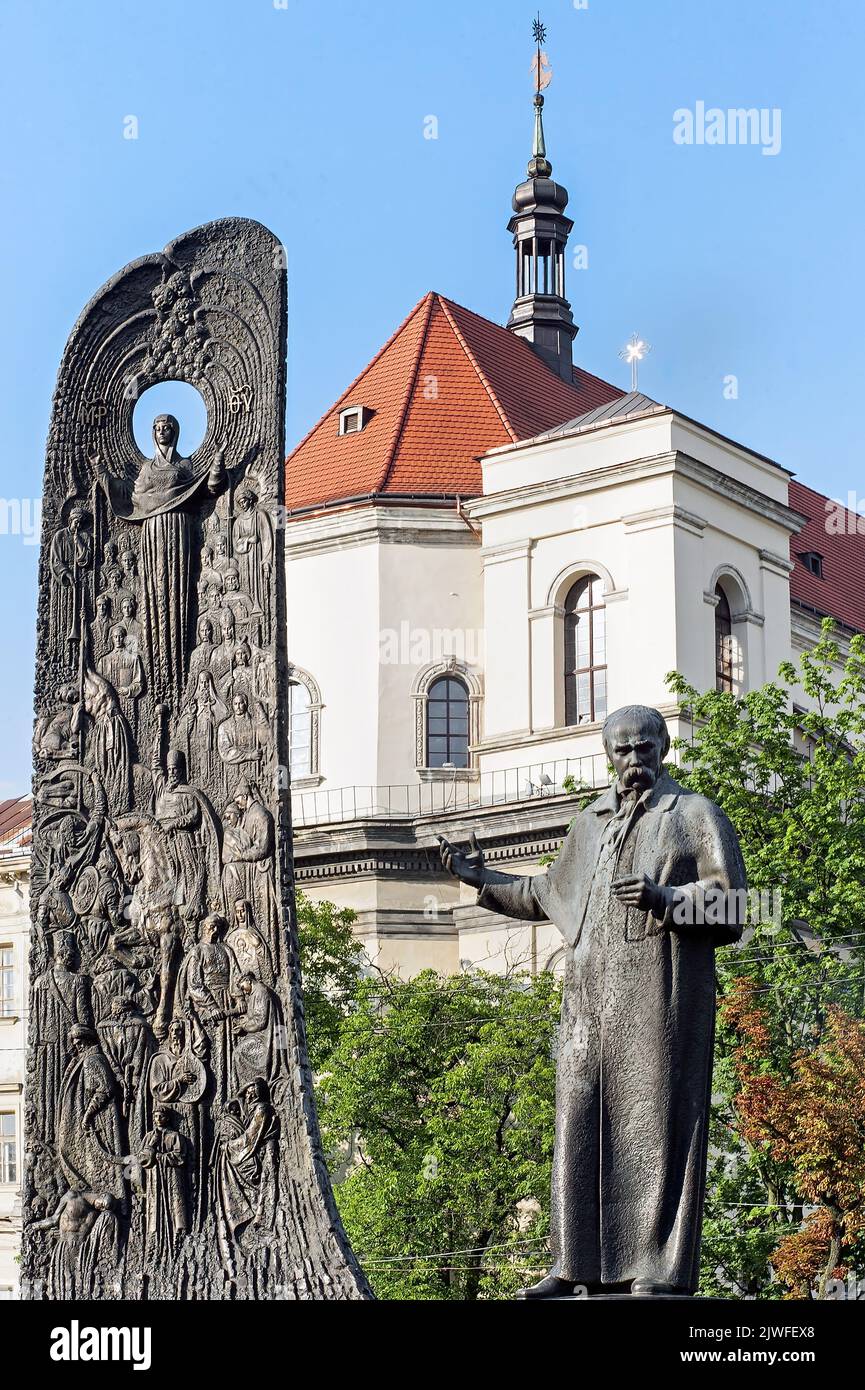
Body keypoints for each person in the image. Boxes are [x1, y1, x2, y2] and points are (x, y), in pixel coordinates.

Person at [439, 704, 747, 1299]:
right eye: (623, 750)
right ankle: (573, 1267)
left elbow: (734, 907)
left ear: (663, 748)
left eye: (645, 749)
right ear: (607, 755)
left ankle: (656, 1269)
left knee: (655, 1129)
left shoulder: (693, 815)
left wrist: (666, 898)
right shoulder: (590, 823)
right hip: (587, 1006)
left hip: (659, 1004)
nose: (635, 761)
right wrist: (481, 881)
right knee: (577, 1123)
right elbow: (546, 895)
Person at [92, 414, 226, 709]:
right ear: (152, 433)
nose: (162, 431)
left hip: (179, 529)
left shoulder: (185, 466)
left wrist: (217, 464)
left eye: (167, 427)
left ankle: (181, 673)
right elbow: (129, 496)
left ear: (175, 432)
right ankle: (156, 676)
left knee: (179, 592)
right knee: (154, 594)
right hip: (152, 532)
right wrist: (103, 474)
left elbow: (207, 488)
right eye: (157, 427)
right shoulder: (144, 470)